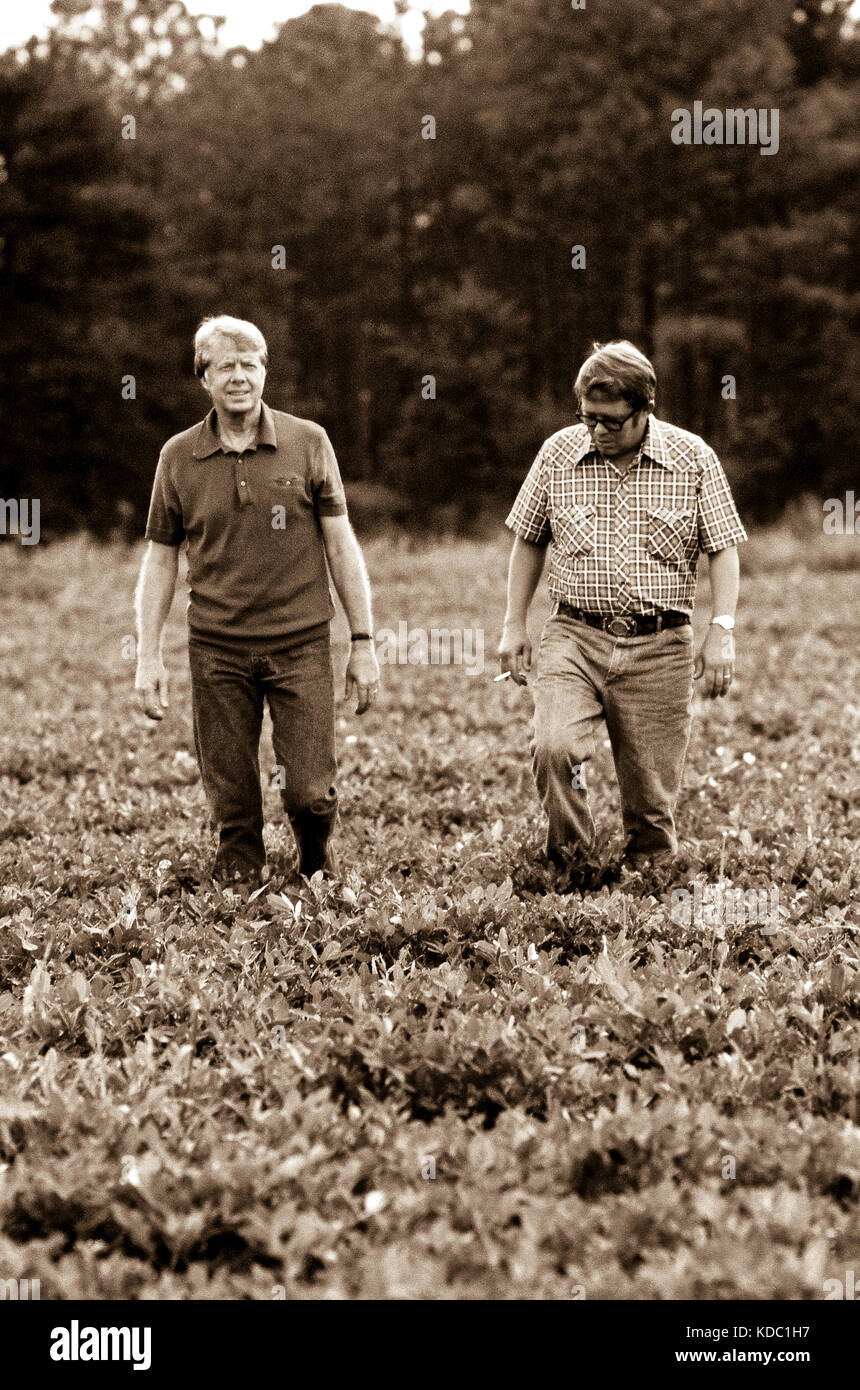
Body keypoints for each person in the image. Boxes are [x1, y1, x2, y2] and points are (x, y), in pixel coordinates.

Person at [134, 314, 379, 889]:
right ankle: (239, 887)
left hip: (300, 644)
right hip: (217, 649)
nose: (239, 376)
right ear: (204, 378)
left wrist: (363, 642)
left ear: (265, 371)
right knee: (232, 794)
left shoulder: (308, 441)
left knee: (311, 793)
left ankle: (316, 861)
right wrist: (148, 654)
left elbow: (341, 546)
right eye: (225, 366)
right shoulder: (177, 456)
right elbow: (160, 560)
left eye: (250, 364)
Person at [498, 340, 747, 885]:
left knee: (651, 800)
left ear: (644, 409)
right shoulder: (557, 454)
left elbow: (723, 548)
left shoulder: (693, 457)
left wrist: (721, 628)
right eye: (588, 418)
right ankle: (574, 863)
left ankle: (648, 883)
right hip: (574, 633)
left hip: (661, 643)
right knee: (554, 747)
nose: (597, 431)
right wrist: (515, 622)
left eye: (611, 421)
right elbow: (529, 540)